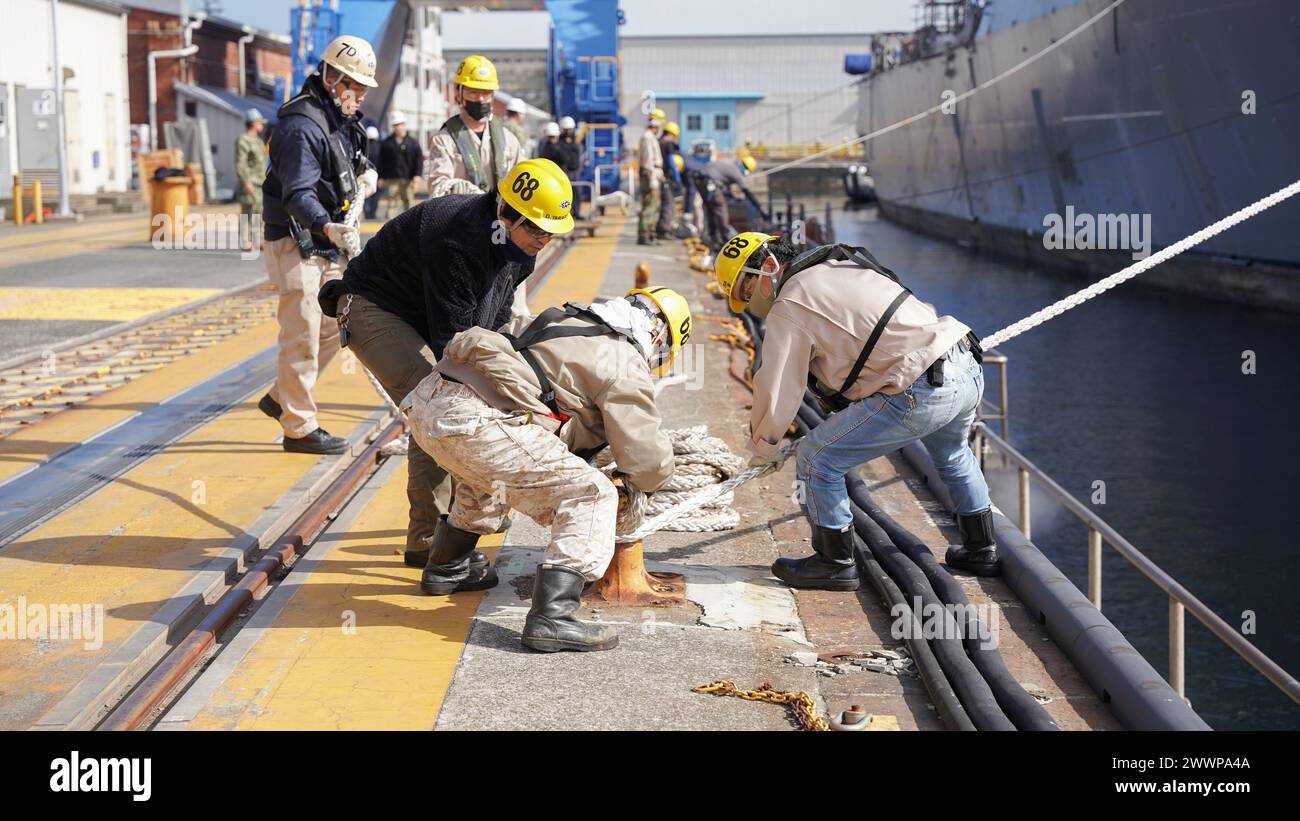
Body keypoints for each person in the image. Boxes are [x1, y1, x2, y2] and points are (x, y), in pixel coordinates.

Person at [402, 286, 692, 652]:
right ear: (660, 335)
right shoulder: (624, 357)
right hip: (477, 422)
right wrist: (643, 482)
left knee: (495, 474)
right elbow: (646, 458)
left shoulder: (561, 318)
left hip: (429, 404)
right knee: (591, 493)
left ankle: (448, 566)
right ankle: (552, 618)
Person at [317, 158, 574, 568]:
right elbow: (453, 345)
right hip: (373, 308)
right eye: (539, 229)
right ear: (506, 214)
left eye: (553, 232)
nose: (545, 240)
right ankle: (428, 542)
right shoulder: (458, 240)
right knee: (436, 406)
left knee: (475, 399)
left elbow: (496, 315)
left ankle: (461, 521)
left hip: (423, 313)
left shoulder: (521, 247)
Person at [714, 231, 998, 588]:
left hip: (919, 387)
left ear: (769, 267)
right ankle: (981, 548)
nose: (748, 302)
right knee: (954, 454)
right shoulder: (844, 264)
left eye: (745, 290)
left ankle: (834, 562)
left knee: (818, 458)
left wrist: (764, 447)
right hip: (964, 363)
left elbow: (778, 385)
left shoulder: (790, 303)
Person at [259, 34, 379, 455]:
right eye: (355, 85)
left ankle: (282, 396)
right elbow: (297, 193)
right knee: (303, 333)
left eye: (364, 88)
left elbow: (347, 160)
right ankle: (297, 426)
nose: (360, 95)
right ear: (332, 77)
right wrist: (328, 228)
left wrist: (366, 175)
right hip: (298, 241)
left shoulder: (340, 117)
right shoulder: (300, 126)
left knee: (335, 323)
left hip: (326, 242)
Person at [425, 55, 523, 198]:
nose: (481, 99)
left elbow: (521, 176)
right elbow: (437, 186)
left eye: (486, 93)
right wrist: (458, 189)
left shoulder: (508, 139)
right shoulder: (444, 140)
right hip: (461, 216)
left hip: (500, 218)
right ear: (458, 94)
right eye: (473, 92)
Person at [696, 156, 768, 247]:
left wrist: (732, 196)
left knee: (711, 210)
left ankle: (712, 237)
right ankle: (726, 237)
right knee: (720, 207)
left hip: (700, 180)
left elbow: (723, 181)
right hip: (711, 183)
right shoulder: (737, 172)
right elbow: (747, 192)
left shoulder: (731, 163)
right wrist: (760, 208)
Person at [378, 110, 424, 217]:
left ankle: (411, 225)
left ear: (404, 125)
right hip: (391, 179)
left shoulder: (413, 143)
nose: (398, 127)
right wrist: (380, 177)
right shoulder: (387, 143)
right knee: (391, 204)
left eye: (400, 124)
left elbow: (418, 160)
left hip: (408, 179)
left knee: (409, 204)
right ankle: (390, 227)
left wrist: (417, 175)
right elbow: (381, 161)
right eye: (395, 125)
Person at [234, 109, 267, 252]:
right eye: (260, 122)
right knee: (247, 212)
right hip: (250, 183)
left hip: (260, 183)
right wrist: (246, 181)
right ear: (253, 123)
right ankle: (245, 241)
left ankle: (258, 239)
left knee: (259, 212)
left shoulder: (259, 141)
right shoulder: (243, 140)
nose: (262, 125)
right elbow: (241, 163)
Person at [637, 108, 665, 245]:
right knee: (650, 205)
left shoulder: (650, 136)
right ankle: (644, 235)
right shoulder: (648, 137)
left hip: (653, 173)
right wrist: (650, 176)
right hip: (650, 174)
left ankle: (650, 234)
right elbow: (648, 159)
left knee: (654, 205)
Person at [655, 121, 682, 240]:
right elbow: (671, 162)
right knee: (669, 204)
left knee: (663, 204)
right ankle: (664, 230)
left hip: (658, 177)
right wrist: (677, 179)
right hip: (665, 178)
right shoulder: (668, 144)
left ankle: (660, 228)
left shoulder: (658, 142)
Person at [557, 116, 583, 221]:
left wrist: (570, 144)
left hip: (574, 171)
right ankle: (565, 214)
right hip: (564, 171)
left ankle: (576, 213)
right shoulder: (559, 141)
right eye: (566, 130)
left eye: (569, 130)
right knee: (564, 194)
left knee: (577, 192)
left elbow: (577, 150)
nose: (568, 132)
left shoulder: (575, 141)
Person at [363, 125, 381, 219]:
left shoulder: (363, 147)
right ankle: (372, 214)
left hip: (365, 175)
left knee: (366, 195)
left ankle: (367, 213)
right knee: (375, 196)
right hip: (377, 175)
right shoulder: (379, 147)